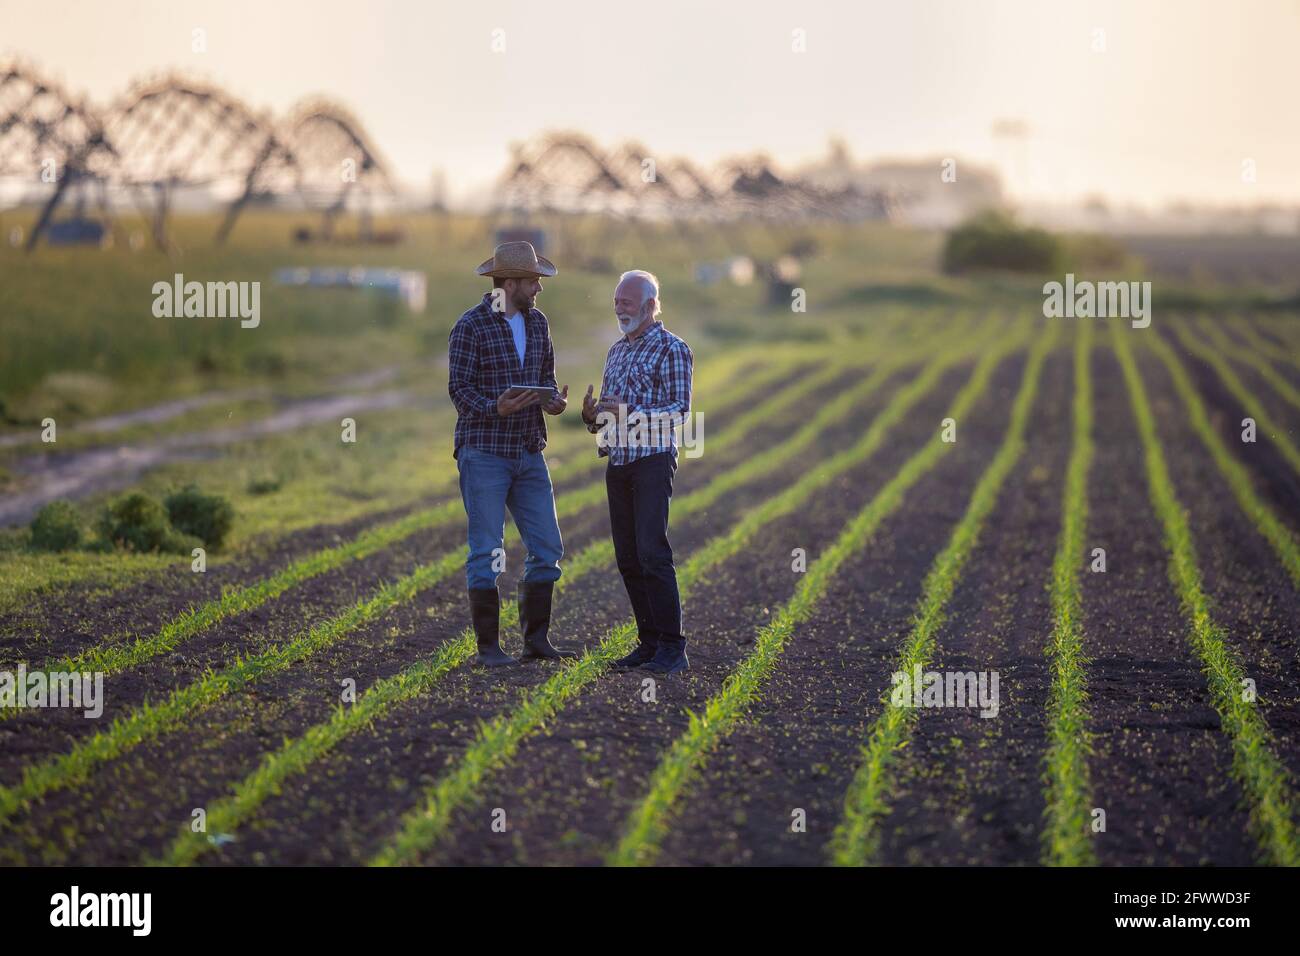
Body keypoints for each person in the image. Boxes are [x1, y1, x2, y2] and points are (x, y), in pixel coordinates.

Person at [447, 241, 576, 666]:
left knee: (548, 547)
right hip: (484, 452)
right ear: (511, 282)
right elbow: (459, 389)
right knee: (486, 551)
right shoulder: (471, 326)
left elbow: (546, 378)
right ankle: (489, 649)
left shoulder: (539, 324)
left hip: (528, 451)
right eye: (534, 281)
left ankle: (535, 643)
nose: (539, 289)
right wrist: (493, 407)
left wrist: (553, 401)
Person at [582, 270, 693, 675]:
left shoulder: (672, 349)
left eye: (626, 301)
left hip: (651, 460)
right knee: (628, 558)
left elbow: (679, 411)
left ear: (650, 306)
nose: (618, 307)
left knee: (652, 553)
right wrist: (593, 418)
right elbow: (610, 415)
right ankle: (648, 643)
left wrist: (630, 415)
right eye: (616, 300)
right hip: (619, 462)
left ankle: (672, 646)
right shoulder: (616, 351)